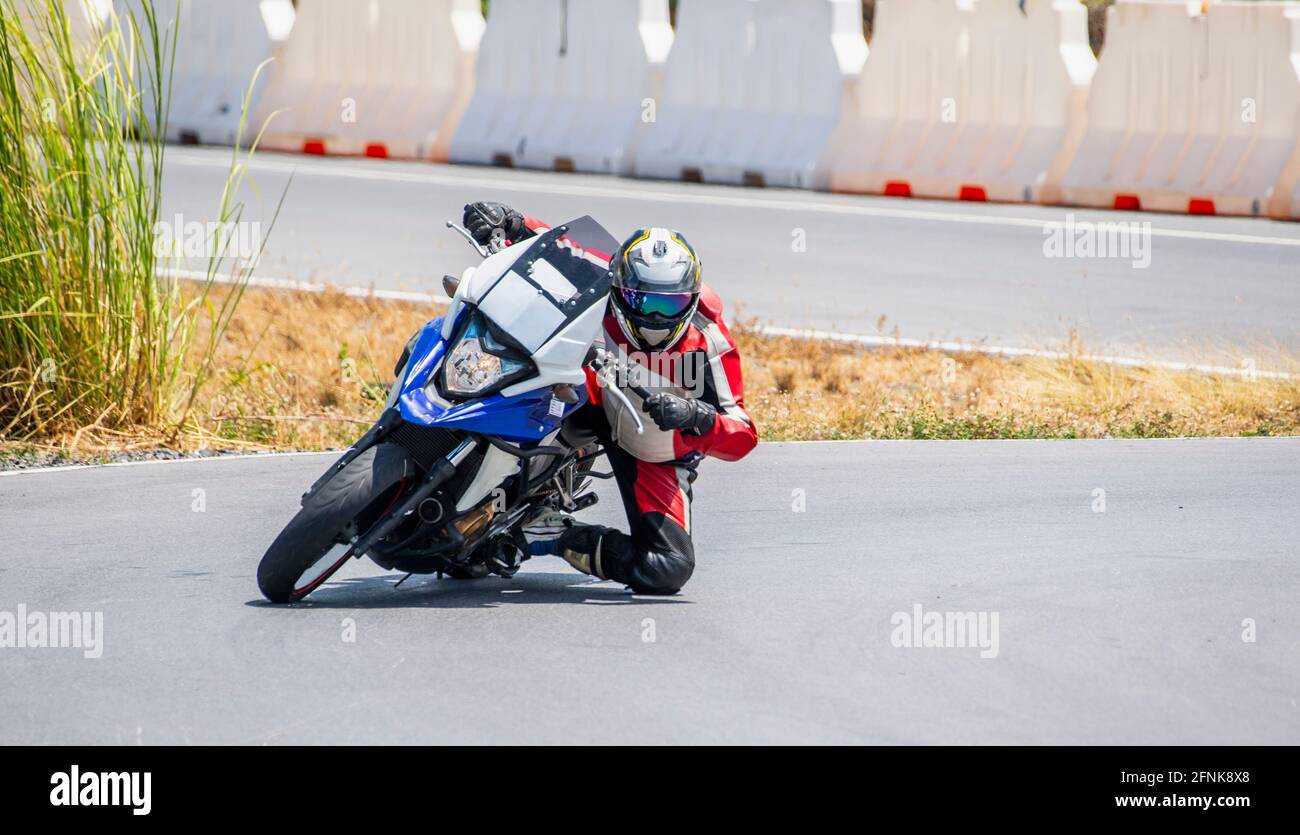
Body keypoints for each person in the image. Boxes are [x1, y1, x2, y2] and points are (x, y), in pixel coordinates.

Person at [461, 201, 759, 595]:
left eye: (667, 304)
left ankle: (551, 533)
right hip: (581, 395)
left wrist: (695, 417)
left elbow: (743, 434)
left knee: (667, 568)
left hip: (654, 444)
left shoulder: (710, 341)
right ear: (619, 285)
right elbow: (551, 243)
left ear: (690, 298)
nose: (653, 316)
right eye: (640, 300)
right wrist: (508, 220)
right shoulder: (603, 272)